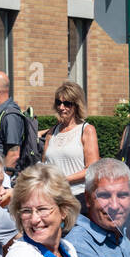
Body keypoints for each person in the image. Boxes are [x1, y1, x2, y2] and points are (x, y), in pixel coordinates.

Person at [41, 81, 99, 210]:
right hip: (52, 198)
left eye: (67, 103)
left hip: (77, 198)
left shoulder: (86, 130)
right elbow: (44, 164)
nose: (61, 107)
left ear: (76, 105)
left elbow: (92, 169)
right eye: (58, 102)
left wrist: (63, 179)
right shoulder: (52, 132)